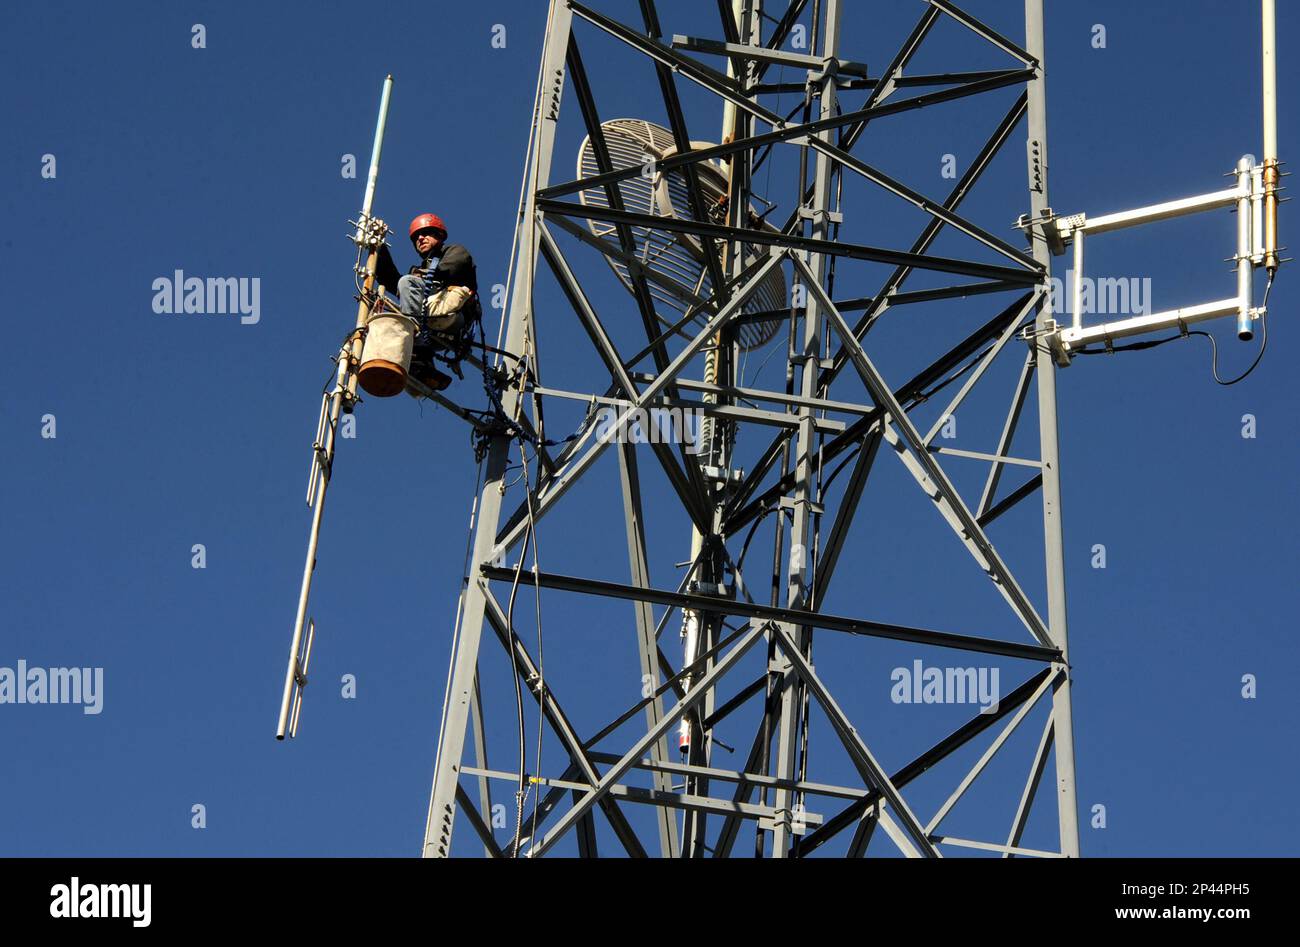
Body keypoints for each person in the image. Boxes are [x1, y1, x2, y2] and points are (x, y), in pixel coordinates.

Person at [373, 212, 478, 391]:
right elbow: (392, 281)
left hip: (452, 318)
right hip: (432, 332)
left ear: (439, 235)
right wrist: (378, 248)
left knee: (407, 283)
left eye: (426, 233)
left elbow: (453, 267)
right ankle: (418, 362)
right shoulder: (419, 272)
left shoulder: (455, 252)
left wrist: (423, 277)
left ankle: (415, 346)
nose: (420, 239)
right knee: (391, 308)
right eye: (416, 238)